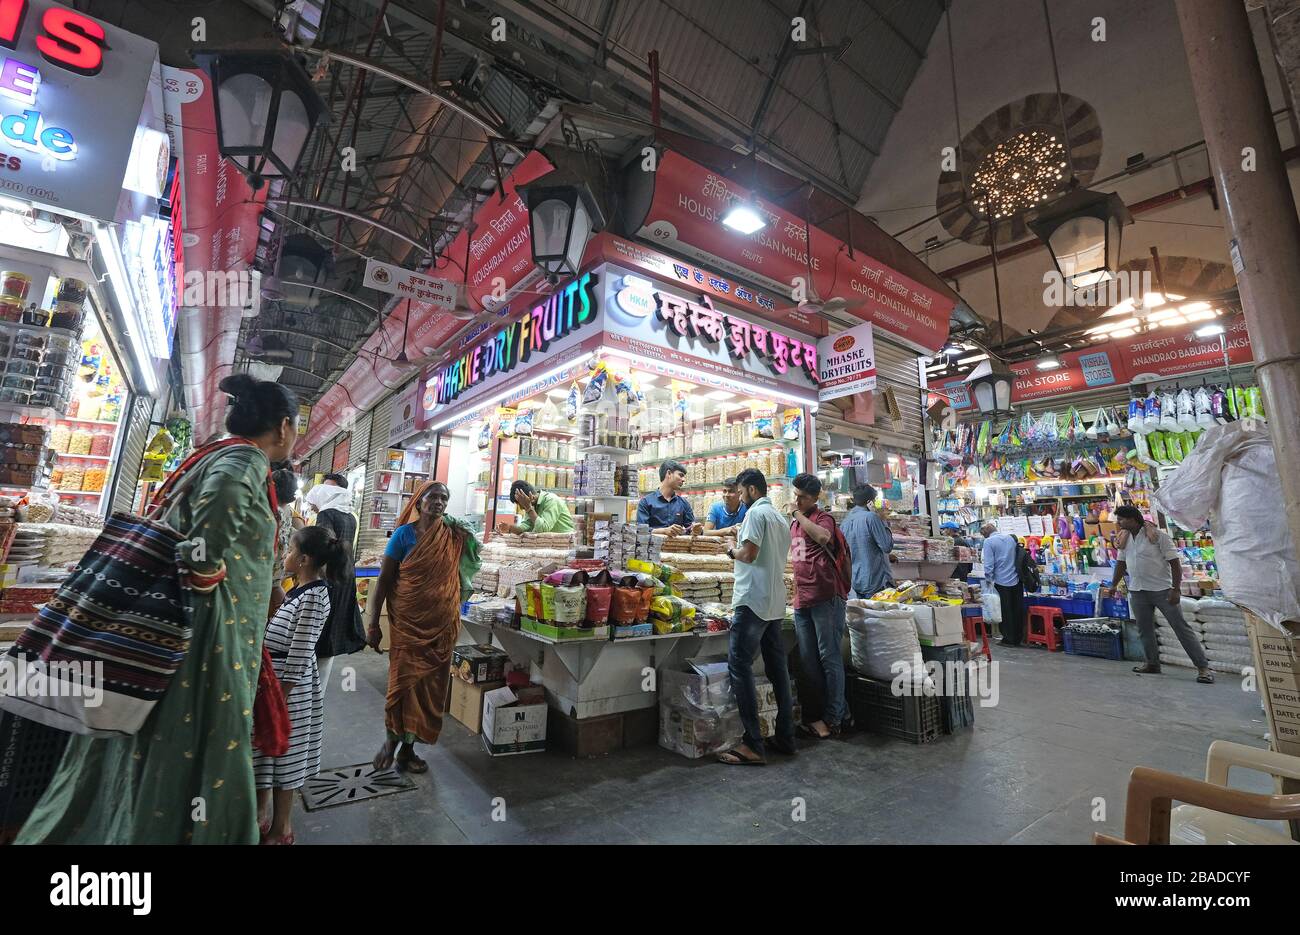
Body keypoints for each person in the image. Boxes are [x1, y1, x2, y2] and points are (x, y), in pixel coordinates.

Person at [17, 374, 297, 844]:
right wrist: (205, 572)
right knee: (199, 742)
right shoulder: (246, 458)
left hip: (193, 625)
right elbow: (216, 520)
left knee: (154, 740)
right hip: (207, 632)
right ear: (285, 427)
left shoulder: (212, 455)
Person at [366, 481, 481, 774]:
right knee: (403, 682)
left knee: (431, 686)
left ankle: (408, 750)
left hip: (441, 627)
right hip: (409, 625)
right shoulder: (404, 535)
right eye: (433, 497)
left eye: (444, 498)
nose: (439, 502)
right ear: (419, 501)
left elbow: (475, 549)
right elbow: (384, 581)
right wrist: (373, 624)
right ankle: (391, 741)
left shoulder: (452, 535)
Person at [254, 526, 345, 844]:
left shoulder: (315, 597)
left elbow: (301, 651)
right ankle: (266, 820)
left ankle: (282, 830)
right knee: (271, 757)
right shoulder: (299, 590)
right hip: (276, 685)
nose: (286, 556)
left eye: (290, 551)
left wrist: (279, 698)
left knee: (286, 761)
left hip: (289, 691)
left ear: (304, 559)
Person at [716, 468, 796, 766]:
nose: (738, 496)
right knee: (778, 670)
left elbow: (748, 554)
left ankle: (752, 744)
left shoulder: (754, 516)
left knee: (739, 664)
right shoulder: (779, 518)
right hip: (774, 602)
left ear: (750, 489)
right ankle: (786, 737)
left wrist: (730, 550)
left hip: (752, 601)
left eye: (740, 490)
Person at [1109, 505, 1214, 684]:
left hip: (1162, 590)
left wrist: (1176, 589)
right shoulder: (1124, 539)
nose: (1118, 522)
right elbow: (1121, 564)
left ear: (1133, 519)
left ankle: (1203, 668)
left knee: (1181, 628)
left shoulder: (1158, 537)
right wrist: (1113, 585)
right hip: (1138, 591)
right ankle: (1152, 663)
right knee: (1145, 630)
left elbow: (1174, 564)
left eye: (1121, 519)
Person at [787, 473, 849, 740]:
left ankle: (834, 718)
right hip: (803, 599)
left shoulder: (822, 518)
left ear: (815, 498)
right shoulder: (794, 525)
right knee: (808, 660)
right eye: (796, 495)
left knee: (829, 657)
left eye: (802, 497)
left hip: (827, 597)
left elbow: (823, 538)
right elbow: (798, 558)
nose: (797, 500)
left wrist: (798, 515)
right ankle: (827, 712)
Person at [309, 474, 366, 692]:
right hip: (345, 577)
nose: (313, 506)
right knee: (332, 630)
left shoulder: (327, 514)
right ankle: (319, 688)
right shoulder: (350, 516)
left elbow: (325, 546)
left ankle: (313, 690)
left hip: (328, 579)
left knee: (320, 632)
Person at [840, 484, 894, 599]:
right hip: (875, 581)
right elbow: (886, 546)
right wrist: (883, 521)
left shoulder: (845, 522)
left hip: (855, 580)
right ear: (870, 502)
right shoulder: (872, 517)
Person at [981, 523, 1024, 645]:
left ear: (985, 533)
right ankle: (1017, 637)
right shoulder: (1010, 538)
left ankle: (1008, 639)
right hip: (1015, 579)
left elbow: (989, 564)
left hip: (1001, 580)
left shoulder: (988, 542)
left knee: (1005, 611)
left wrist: (988, 580)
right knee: (1016, 609)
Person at [636, 459, 702, 536]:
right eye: (680, 475)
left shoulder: (684, 503)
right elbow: (641, 531)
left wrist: (695, 531)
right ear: (669, 473)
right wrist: (664, 531)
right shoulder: (646, 502)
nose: (683, 480)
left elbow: (690, 529)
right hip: (654, 547)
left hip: (677, 547)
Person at [270, 466, 300, 616]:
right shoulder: (288, 510)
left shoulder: (273, 510)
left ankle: (282, 616)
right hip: (281, 555)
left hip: (271, 556)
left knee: (273, 587)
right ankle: (283, 615)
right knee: (275, 586)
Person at [495, 479, 575, 534]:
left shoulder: (552, 500)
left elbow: (543, 529)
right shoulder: (531, 504)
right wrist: (509, 528)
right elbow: (525, 527)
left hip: (565, 545)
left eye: (520, 504)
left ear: (530, 497)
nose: (522, 508)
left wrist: (528, 508)